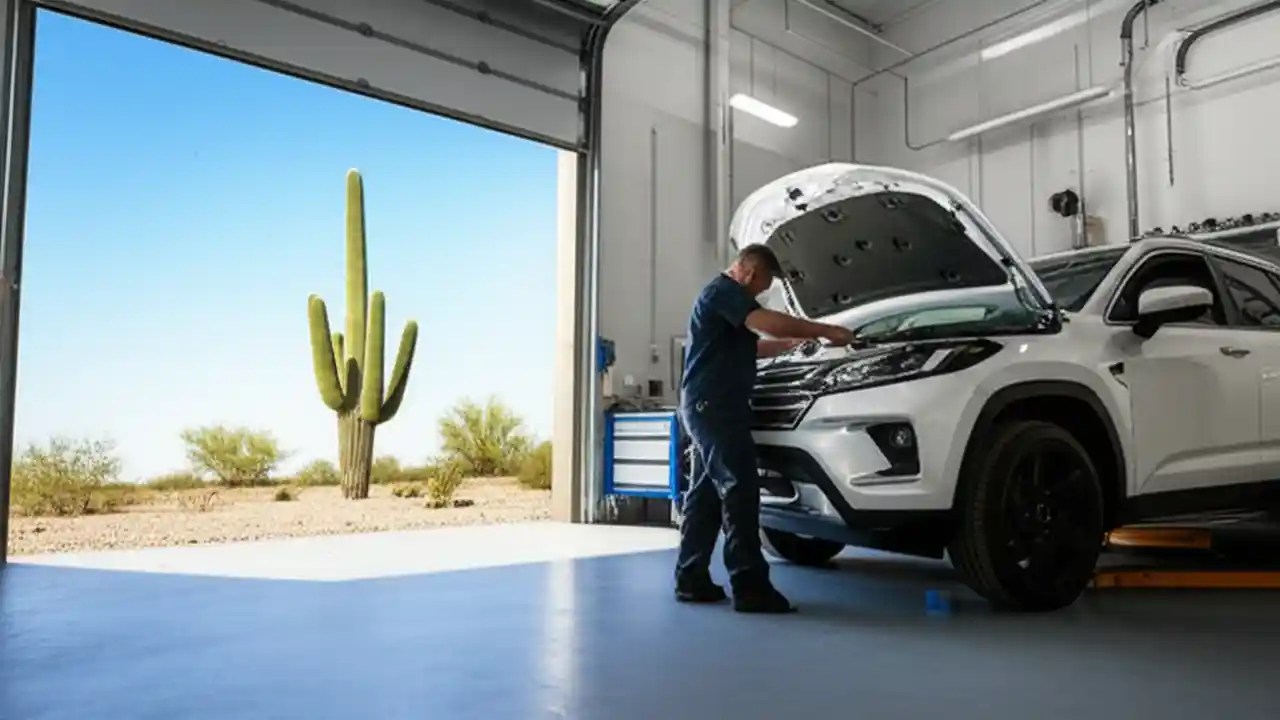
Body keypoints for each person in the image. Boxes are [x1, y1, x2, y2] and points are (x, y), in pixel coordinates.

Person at [675, 244, 855, 613]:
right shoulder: (724, 291)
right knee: (740, 488)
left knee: (706, 495)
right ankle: (750, 586)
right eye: (762, 285)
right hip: (716, 407)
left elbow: (750, 347)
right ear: (748, 271)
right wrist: (823, 329)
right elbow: (763, 320)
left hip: (706, 405)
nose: (760, 293)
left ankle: (690, 579)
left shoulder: (726, 303)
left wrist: (793, 343)